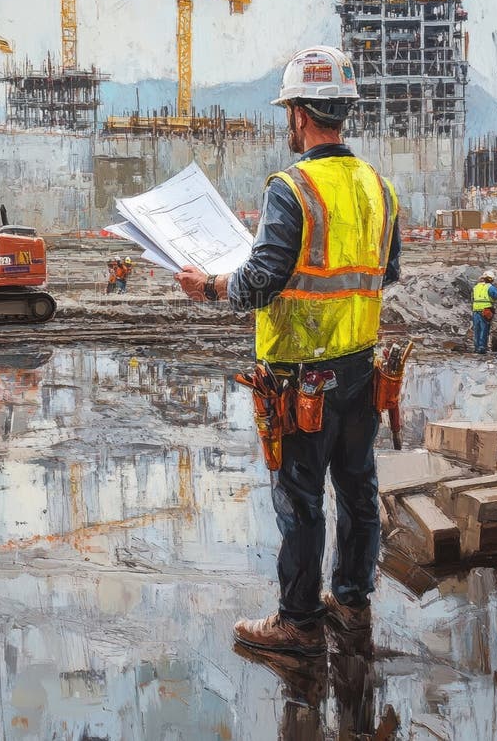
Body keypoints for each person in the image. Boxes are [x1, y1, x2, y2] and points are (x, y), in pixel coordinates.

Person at [176, 46, 400, 655]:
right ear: (342, 112)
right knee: (358, 488)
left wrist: (213, 285)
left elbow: (261, 281)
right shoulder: (379, 189)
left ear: (299, 114)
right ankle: (352, 604)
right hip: (361, 368)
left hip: (302, 378)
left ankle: (299, 621)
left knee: (300, 500)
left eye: (289, 112)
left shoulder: (291, 188)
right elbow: (387, 271)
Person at [472, 268, 497, 354]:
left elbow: (473, 298)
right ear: (491, 279)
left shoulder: (476, 287)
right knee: (484, 329)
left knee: (477, 329)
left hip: (476, 310)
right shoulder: (490, 287)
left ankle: (477, 347)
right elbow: (496, 296)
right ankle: (482, 348)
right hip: (486, 310)